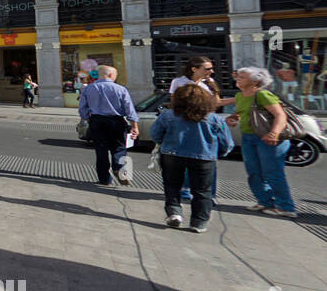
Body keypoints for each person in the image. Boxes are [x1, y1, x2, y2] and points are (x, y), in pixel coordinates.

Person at [150, 83, 233, 233]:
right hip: (204, 157)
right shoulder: (214, 119)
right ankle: (199, 222)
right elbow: (226, 143)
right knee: (202, 190)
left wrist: (164, 143)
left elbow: (155, 134)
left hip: (172, 154)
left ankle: (174, 212)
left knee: (172, 185)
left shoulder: (168, 115)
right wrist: (218, 153)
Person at [227, 67, 296, 217]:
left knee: (272, 172)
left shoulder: (263, 94)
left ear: (255, 81)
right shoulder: (240, 96)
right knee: (254, 172)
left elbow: (280, 115)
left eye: (242, 77)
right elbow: (242, 113)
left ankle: (286, 207)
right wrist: (233, 118)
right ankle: (264, 201)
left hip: (267, 137)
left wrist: (274, 133)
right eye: (238, 77)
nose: (237, 79)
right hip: (248, 137)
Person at [78, 64, 139, 186]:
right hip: (116, 121)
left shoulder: (88, 89)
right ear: (111, 75)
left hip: (97, 121)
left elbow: (82, 108)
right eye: (116, 75)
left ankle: (104, 179)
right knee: (119, 147)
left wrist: (89, 119)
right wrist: (134, 126)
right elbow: (129, 108)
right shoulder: (120, 89)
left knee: (101, 151)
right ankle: (120, 168)